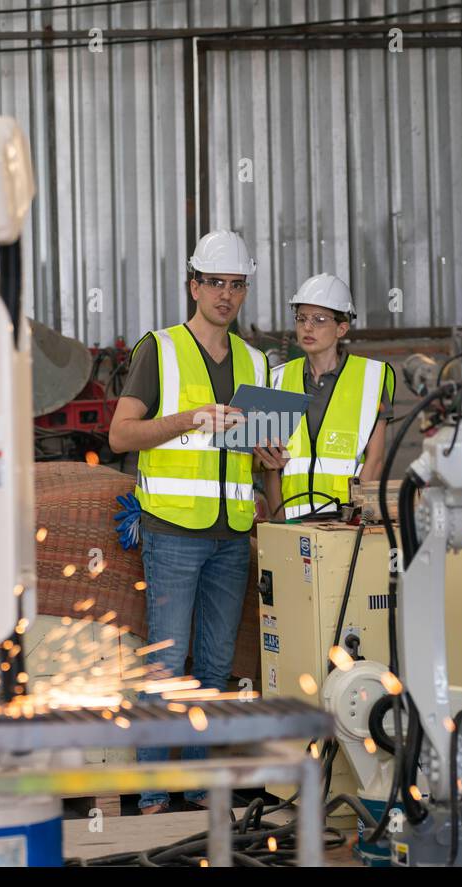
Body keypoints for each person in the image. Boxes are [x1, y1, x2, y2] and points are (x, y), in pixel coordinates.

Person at [108, 229, 280, 814]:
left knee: (213, 668)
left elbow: (248, 443)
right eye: (215, 284)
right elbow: (120, 434)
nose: (226, 295)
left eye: (236, 285)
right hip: (173, 534)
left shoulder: (257, 361)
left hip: (232, 534)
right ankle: (154, 795)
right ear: (194, 286)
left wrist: (267, 454)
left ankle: (204, 792)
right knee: (164, 662)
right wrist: (187, 419)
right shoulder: (159, 349)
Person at [262, 273, 395, 521]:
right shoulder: (276, 380)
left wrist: (354, 518)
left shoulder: (371, 377)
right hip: (292, 520)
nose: (307, 327)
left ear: (341, 329)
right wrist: (280, 521)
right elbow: (269, 466)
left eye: (319, 319)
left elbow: (375, 459)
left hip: (345, 519)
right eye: (301, 319)